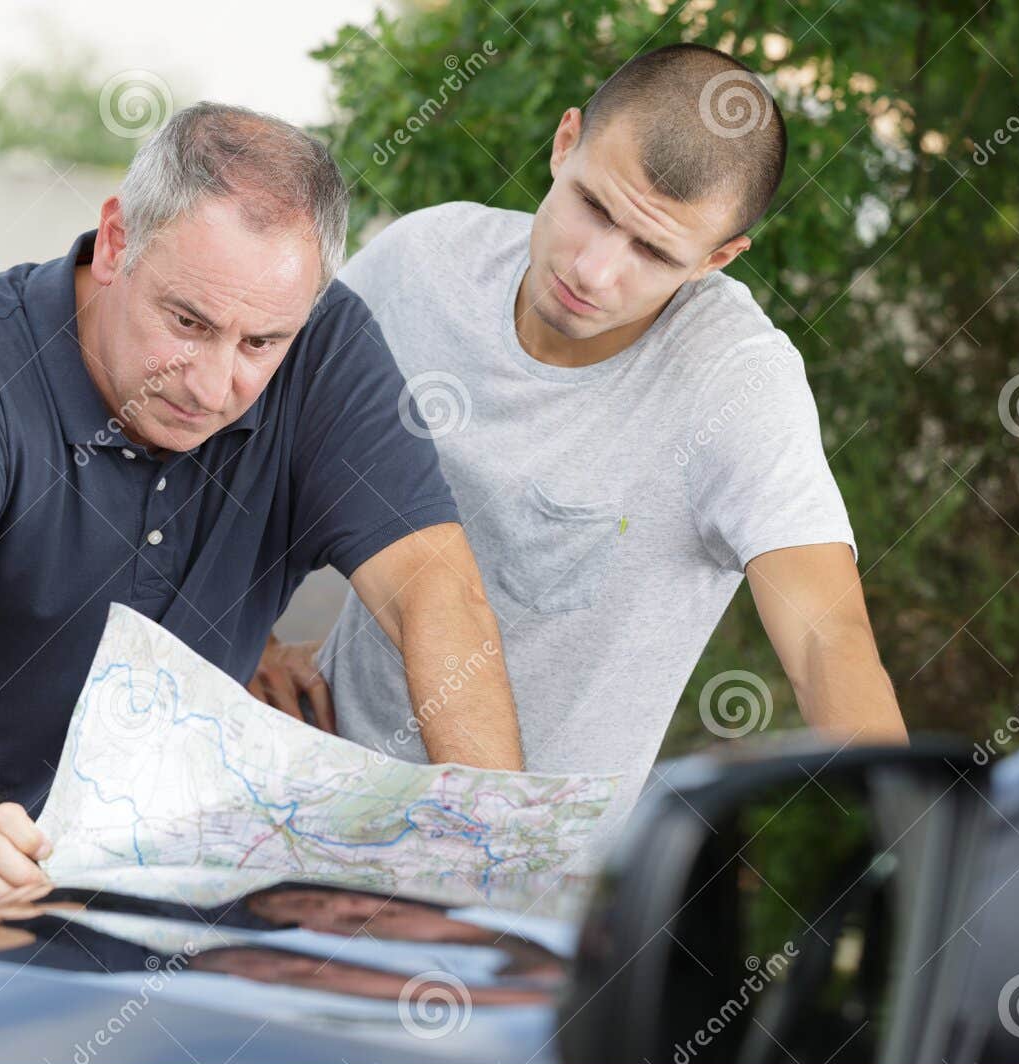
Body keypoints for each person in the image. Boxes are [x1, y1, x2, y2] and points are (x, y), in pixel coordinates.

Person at [0, 102, 525, 942]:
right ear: (118, 240)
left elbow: (434, 595)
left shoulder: (327, 350)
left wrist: (504, 863)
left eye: (260, 344)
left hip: (112, 895)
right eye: (188, 323)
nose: (213, 385)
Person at [250, 44, 906, 868]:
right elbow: (244, 441)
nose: (594, 271)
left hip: (528, 888)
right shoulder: (422, 261)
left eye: (653, 253)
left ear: (716, 259)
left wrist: (920, 865)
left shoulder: (738, 386)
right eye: (593, 206)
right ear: (565, 143)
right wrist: (251, 641)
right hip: (308, 805)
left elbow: (826, 638)